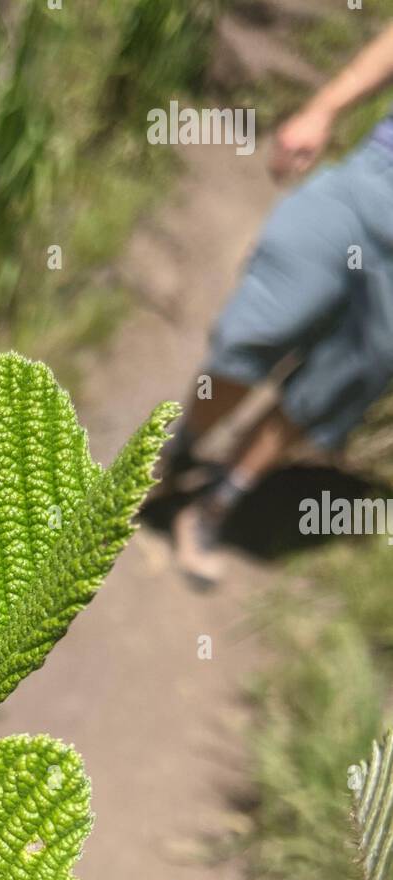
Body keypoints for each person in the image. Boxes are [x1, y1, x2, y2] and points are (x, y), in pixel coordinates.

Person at [163, 22, 393, 586]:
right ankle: (176, 456)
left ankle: (214, 507)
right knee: (252, 333)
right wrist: (323, 108)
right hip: (372, 186)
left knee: (326, 389)